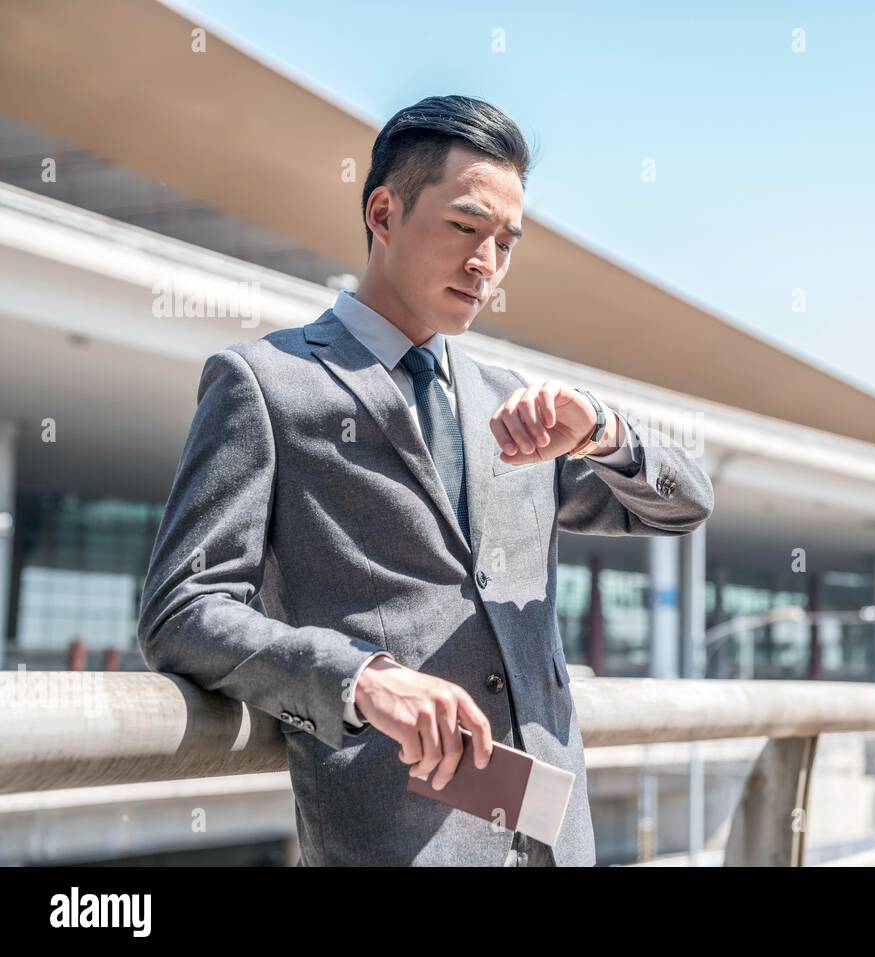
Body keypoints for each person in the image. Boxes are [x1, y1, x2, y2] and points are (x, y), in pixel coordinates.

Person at [136, 95, 714, 866]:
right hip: (394, 843)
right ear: (383, 211)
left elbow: (684, 507)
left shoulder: (516, 405)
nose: (487, 262)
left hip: (556, 839)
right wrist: (359, 677)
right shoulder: (266, 385)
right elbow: (183, 608)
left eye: (505, 242)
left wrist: (606, 431)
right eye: (465, 227)